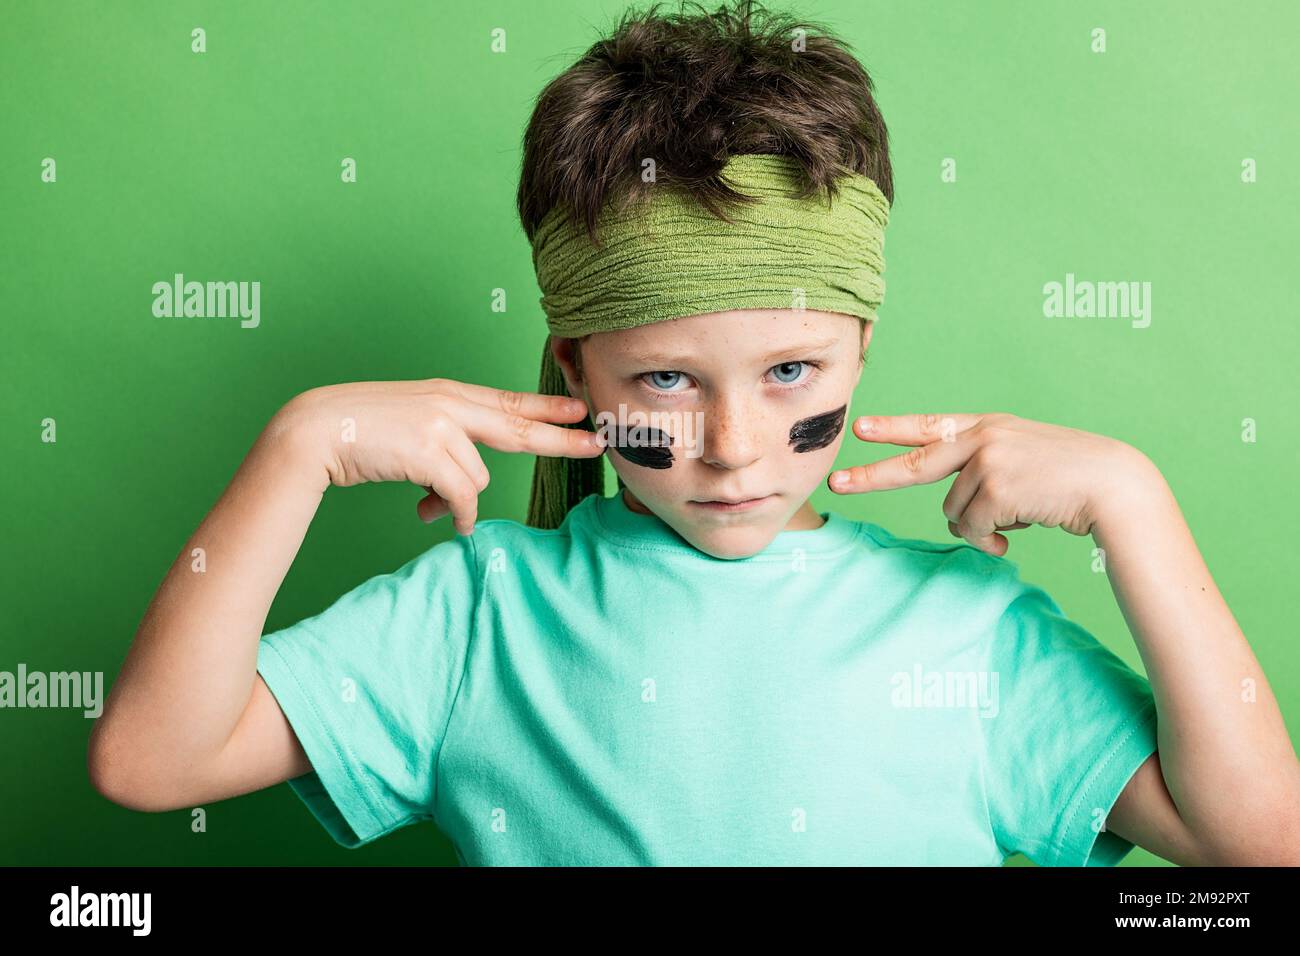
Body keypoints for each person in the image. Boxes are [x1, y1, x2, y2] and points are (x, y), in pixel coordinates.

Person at [87, 0, 1299, 866]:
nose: (733, 443)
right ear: (573, 365)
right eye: (664, 379)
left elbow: (1254, 840)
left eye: (790, 371)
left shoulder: (966, 634)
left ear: (859, 350)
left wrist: (1136, 504)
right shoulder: (477, 616)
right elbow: (152, 760)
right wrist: (297, 448)